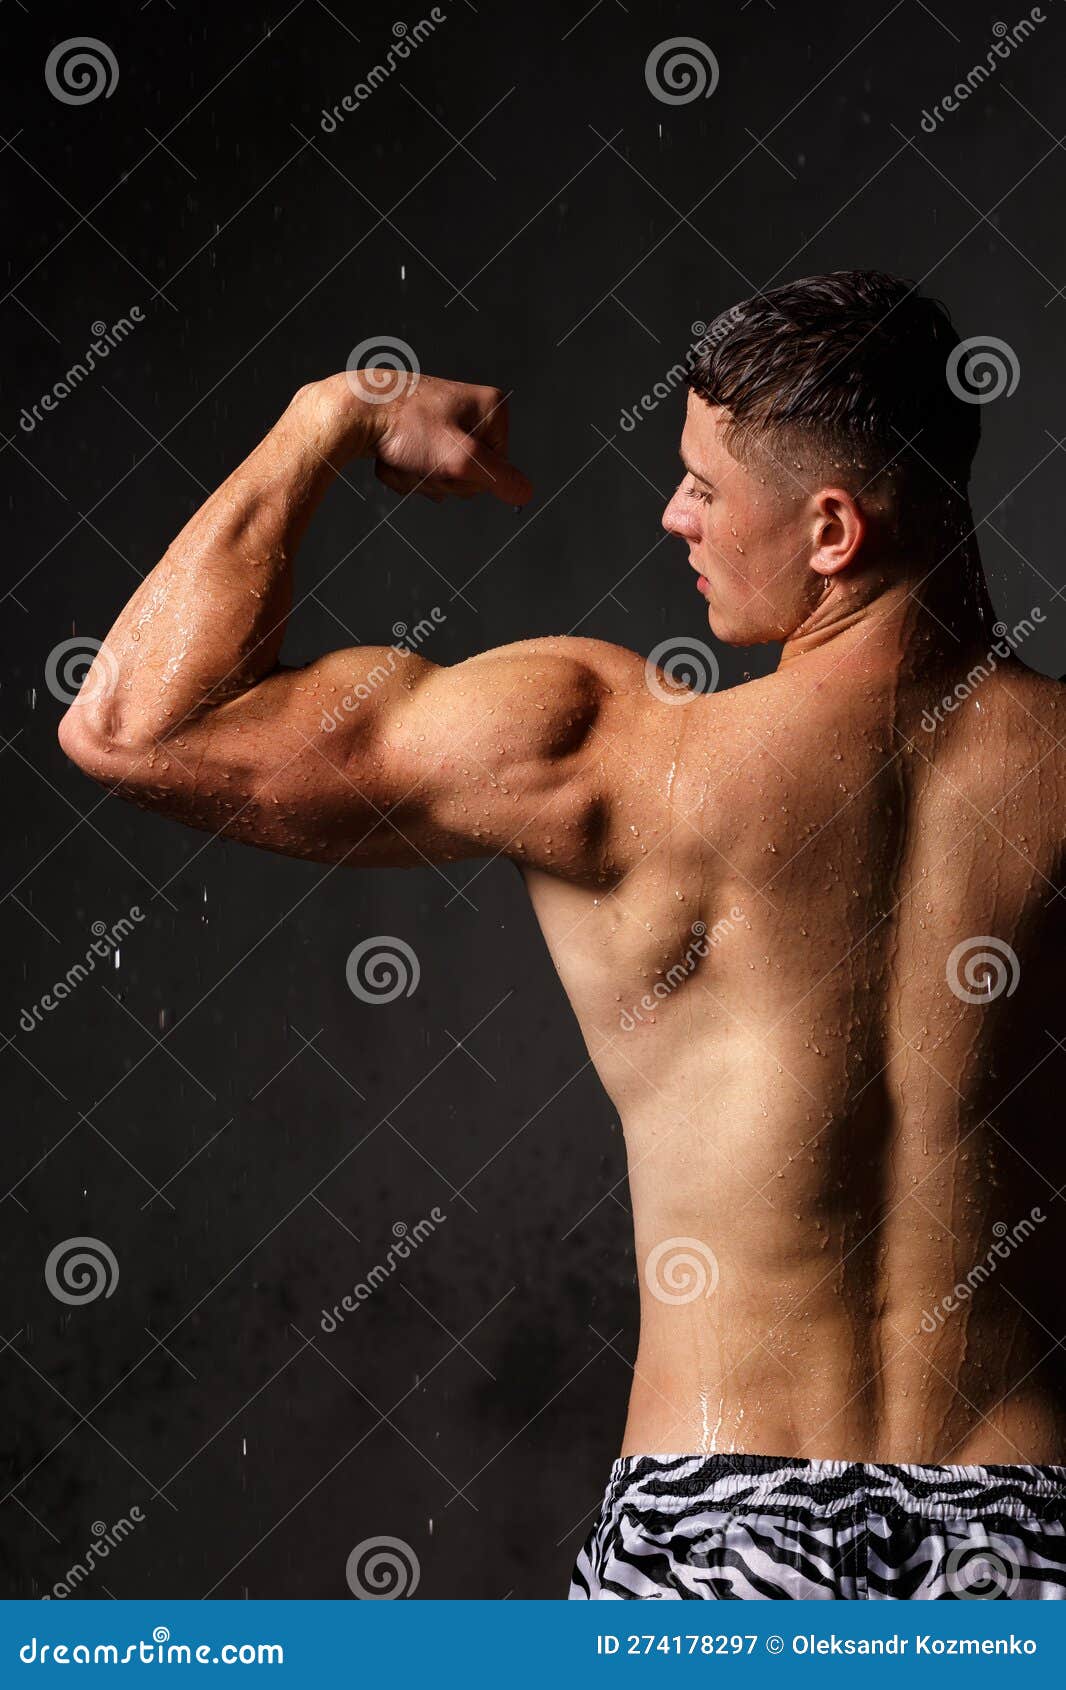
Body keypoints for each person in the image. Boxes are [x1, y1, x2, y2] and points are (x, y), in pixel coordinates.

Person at [59, 271, 1066, 1600]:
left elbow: (134, 726)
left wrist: (327, 420)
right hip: (1021, 1529)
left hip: (715, 1526)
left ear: (830, 527)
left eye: (705, 486)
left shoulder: (613, 751)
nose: (675, 515)